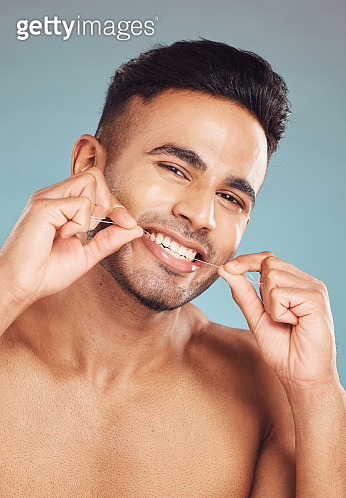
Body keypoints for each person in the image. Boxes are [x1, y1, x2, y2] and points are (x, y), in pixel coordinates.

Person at [0, 39, 345, 497]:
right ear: (89, 164)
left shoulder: (265, 389)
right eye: (175, 169)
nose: (203, 215)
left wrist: (318, 391)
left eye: (231, 198)